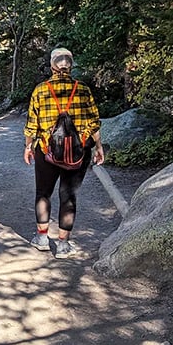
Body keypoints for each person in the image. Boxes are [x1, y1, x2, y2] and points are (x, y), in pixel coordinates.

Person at [23, 47, 104, 258]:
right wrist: (98, 147)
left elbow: (32, 124)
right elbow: (94, 122)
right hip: (78, 151)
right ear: (71, 65)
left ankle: (41, 238)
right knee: (68, 196)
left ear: (52, 66)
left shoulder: (41, 90)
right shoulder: (83, 89)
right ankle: (63, 245)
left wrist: (28, 146)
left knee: (43, 193)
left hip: (46, 149)